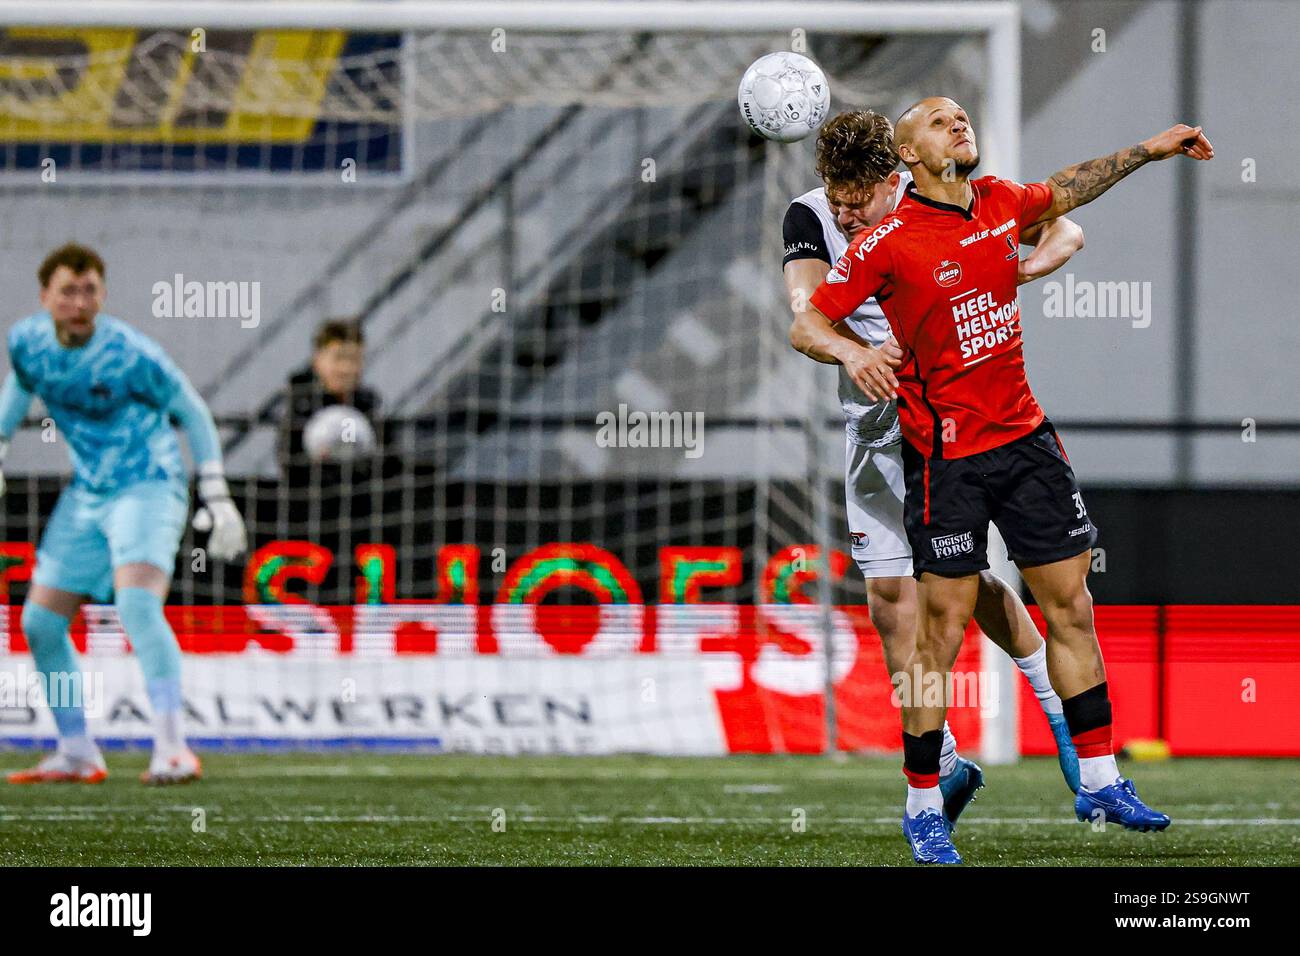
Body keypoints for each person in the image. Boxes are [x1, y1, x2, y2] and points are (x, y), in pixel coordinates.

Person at [803, 97, 1213, 863]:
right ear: (910, 158)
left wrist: (1152, 149)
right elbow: (807, 321)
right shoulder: (886, 242)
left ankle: (1098, 777)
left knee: (1073, 608)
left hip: (1027, 445)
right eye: (936, 121)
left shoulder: (997, 201)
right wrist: (852, 354)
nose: (956, 123)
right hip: (947, 459)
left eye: (959, 115)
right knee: (941, 634)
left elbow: (1070, 189)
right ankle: (924, 803)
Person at [785, 111, 1085, 830]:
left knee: (964, 585)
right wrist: (852, 353)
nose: (847, 212)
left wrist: (1024, 264)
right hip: (872, 421)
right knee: (890, 596)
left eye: (860, 198)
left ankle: (1059, 712)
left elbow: (1066, 227)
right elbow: (805, 308)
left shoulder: (949, 197)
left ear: (897, 178)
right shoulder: (811, 216)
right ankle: (944, 766)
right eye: (838, 197)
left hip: (954, 423)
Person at [0, 243, 247, 785]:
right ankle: (77, 750)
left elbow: (191, 410)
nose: (79, 301)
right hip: (88, 492)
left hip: (149, 484)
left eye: (90, 290)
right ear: (45, 295)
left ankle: (174, 748)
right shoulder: (27, 342)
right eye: (68, 290)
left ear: (103, 295)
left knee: (138, 605)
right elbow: (21, 384)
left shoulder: (130, 353)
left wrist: (216, 490)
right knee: (40, 623)